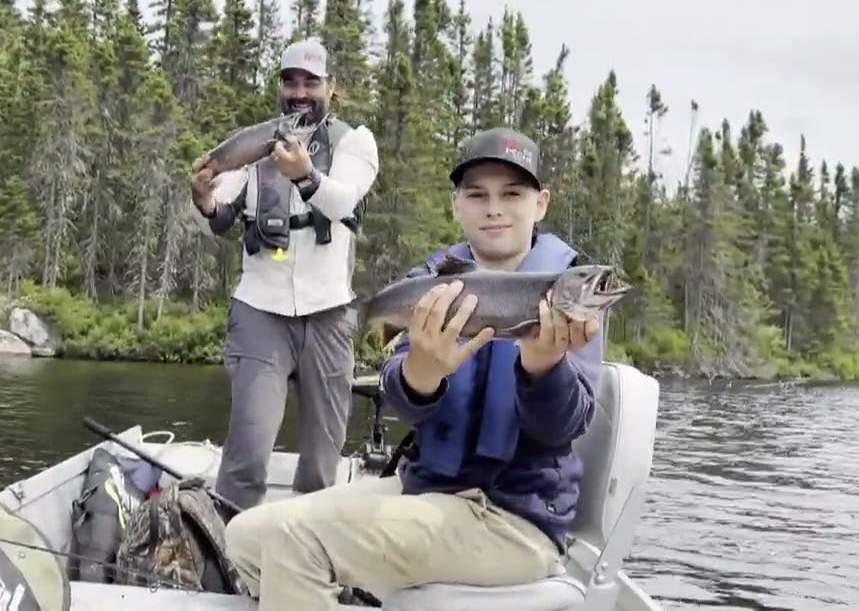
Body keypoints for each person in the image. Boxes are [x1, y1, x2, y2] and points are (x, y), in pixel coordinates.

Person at [223, 127, 603, 610]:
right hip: (425, 488)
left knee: (295, 541)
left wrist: (544, 369)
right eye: (477, 195)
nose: (494, 208)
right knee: (244, 536)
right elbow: (400, 394)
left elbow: (564, 428)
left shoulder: (570, 298)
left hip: (512, 520)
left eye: (512, 194)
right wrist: (423, 372)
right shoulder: (433, 281)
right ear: (456, 204)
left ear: (541, 203)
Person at [189, 38, 381, 514]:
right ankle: (231, 538)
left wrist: (304, 175)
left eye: (310, 82)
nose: (299, 92)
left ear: (331, 87)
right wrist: (204, 200)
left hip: (329, 313)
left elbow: (342, 202)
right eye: (290, 82)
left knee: (322, 456)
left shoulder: (354, 143)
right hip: (260, 309)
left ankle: (305, 542)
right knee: (249, 449)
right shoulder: (255, 145)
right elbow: (221, 212)